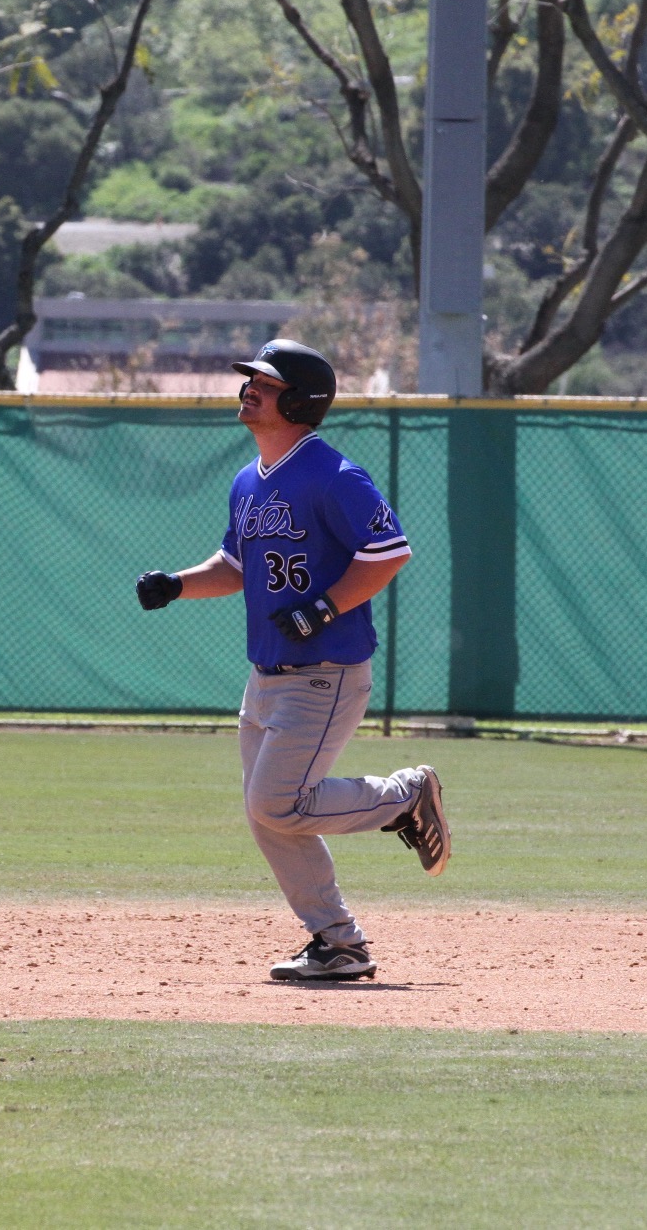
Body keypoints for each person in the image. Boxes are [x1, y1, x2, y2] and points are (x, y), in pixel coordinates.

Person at [135, 339, 450, 982]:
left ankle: (405, 796)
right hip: (266, 675)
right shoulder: (248, 481)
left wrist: (324, 609)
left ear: (301, 400)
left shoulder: (335, 475)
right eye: (250, 377)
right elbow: (236, 566)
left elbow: (389, 552)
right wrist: (177, 584)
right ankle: (338, 943)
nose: (249, 386)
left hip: (325, 671)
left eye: (266, 381)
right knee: (270, 816)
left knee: (277, 804)